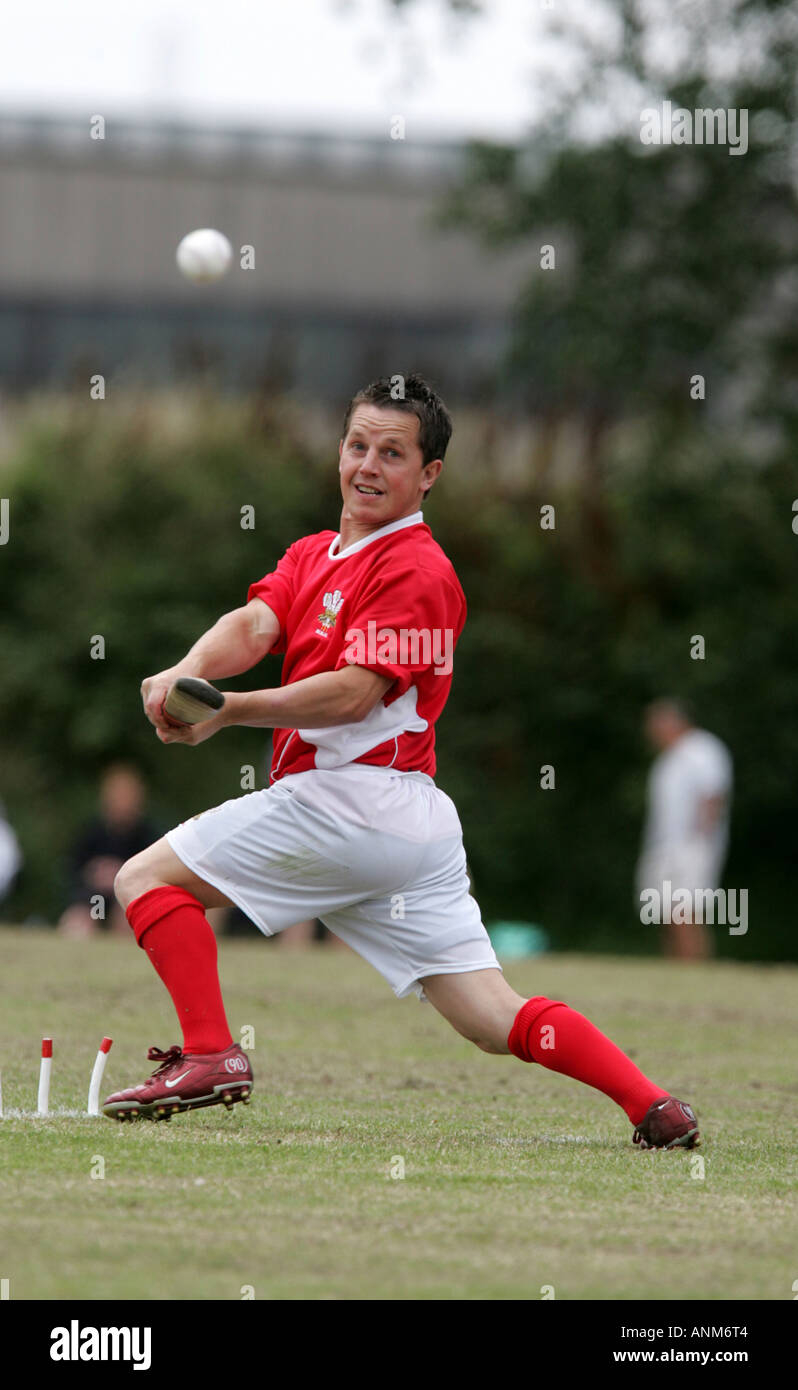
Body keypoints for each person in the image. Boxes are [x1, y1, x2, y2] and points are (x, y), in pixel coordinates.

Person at [104, 374, 698, 1150]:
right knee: (491, 1017)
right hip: (408, 825)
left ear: (430, 475)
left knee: (142, 879)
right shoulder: (318, 552)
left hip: (353, 805)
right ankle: (652, 1105)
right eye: (358, 445)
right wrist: (188, 672)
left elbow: (352, 696)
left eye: (393, 452)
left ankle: (213, 1053)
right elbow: (254, 625)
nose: (368, 466)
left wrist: (231, 709)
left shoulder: (418, 570)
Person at [637, 699, 733, 961]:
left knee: (686, 909)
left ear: (674, 721)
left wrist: (701, 839)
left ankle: (694, 965)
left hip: (692, 845)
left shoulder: (703, 749)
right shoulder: (669, 758)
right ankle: (677, 965)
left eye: (656, 723)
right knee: (666, 909)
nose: (652, 730)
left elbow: (713, 793)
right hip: (664, 846)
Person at [58, 764, 159, 937]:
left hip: (128, 900)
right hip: (96, 900)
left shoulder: (149, 837)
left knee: (126, 920)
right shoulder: (92, 834)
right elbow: (72, 871)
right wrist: (91, 875)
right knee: (78, 923)